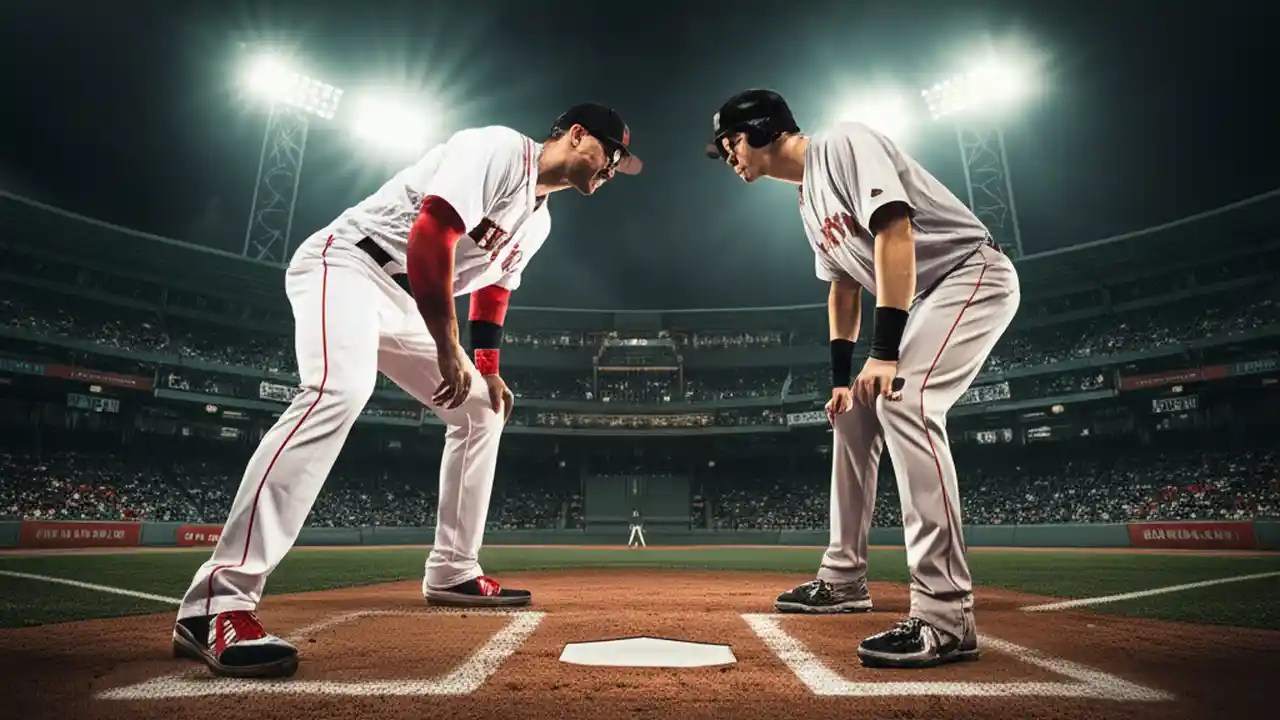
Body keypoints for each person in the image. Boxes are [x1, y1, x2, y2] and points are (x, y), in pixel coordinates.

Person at [171, 103, 642, 679]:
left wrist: (487, 367)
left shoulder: (539, 222)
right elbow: (430, 233)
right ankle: (217, 602)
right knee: (337, 391)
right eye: (612, 154)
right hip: (348, 263)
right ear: (575, 134)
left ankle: (452, 568)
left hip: (407, 306)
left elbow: (493, 291)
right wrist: (448, 344)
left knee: (481, 411)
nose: (615, 169)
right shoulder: (498, 148)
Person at [705, 89, 1019, 669]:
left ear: (762, 128)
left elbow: (894, 232)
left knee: (906, 403)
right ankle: (844, 579)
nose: (726, 154)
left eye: (729, 141)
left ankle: (945, 616)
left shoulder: (843, 142)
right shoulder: (807, 200)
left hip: (967, 275)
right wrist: (842, 379)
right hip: (920, 301)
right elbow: (844, 287)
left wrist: (886, 351)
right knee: (853, 416)